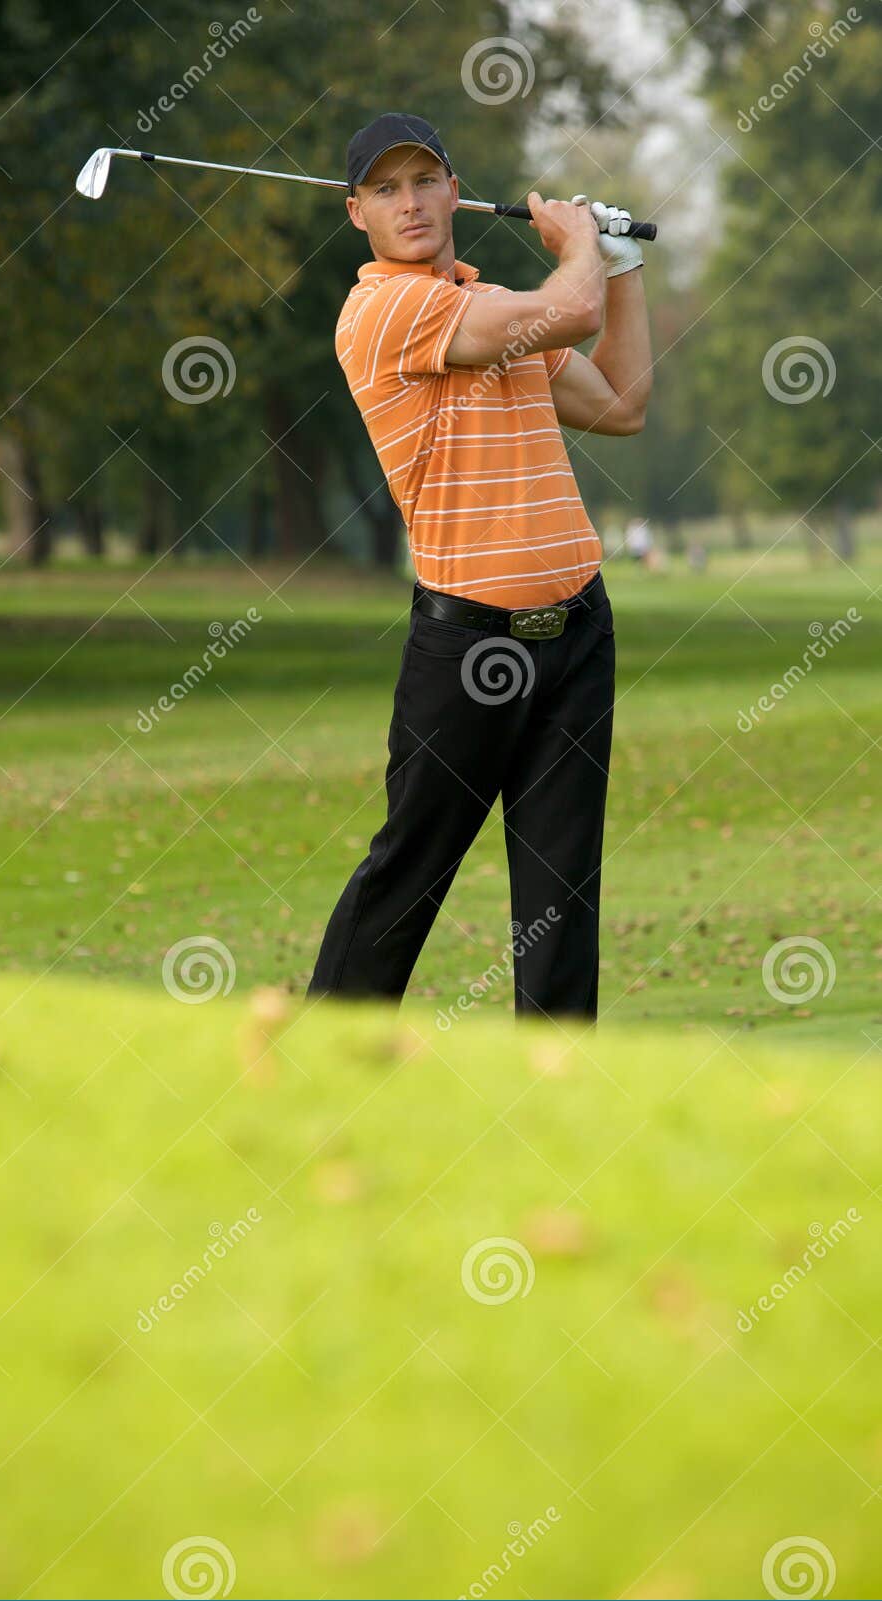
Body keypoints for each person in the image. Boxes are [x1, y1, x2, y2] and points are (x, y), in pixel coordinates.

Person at [307, 113, 652, 1022]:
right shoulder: (384, 311)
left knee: (561, 892)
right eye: (385, 189)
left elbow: (620, 403)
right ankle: (319, 1063)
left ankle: (554, 1088)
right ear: (357, 215)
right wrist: (578, 246)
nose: (410, 202)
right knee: (409, 871)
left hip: (577, 632)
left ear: (455, 191)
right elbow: (567, 311)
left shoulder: (492, 304)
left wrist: (620, 266)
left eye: (425, 180)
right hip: (468, 648)